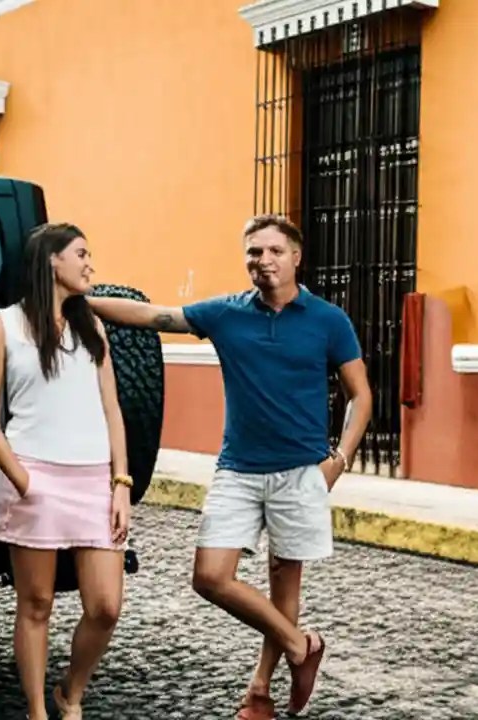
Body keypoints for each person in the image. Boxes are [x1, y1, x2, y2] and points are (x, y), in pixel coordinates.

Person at [87, 214, 371, 719]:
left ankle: (258, 694)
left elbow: (361, 396)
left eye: (273, 251)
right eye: (254, 253)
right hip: (238, 468)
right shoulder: (225, 313)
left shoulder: (329, 320)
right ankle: (301, 644)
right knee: (211, 577)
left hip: (302, 472)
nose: (263, 261)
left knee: (285, 581)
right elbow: (155, 317)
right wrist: (77, 302)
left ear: (296, 257)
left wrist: (340, 461)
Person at [0, 222, 133, 720]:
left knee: (105, 606)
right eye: (81, 253)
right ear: (50, 261)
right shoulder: (2, 326)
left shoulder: (92, 328)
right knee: (36, 604)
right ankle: (39, 710)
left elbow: (112, 411)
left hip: (92, 480)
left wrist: (121, 484)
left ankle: (72, 691)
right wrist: (22, 479)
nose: (90, 263)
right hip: (33, 476)